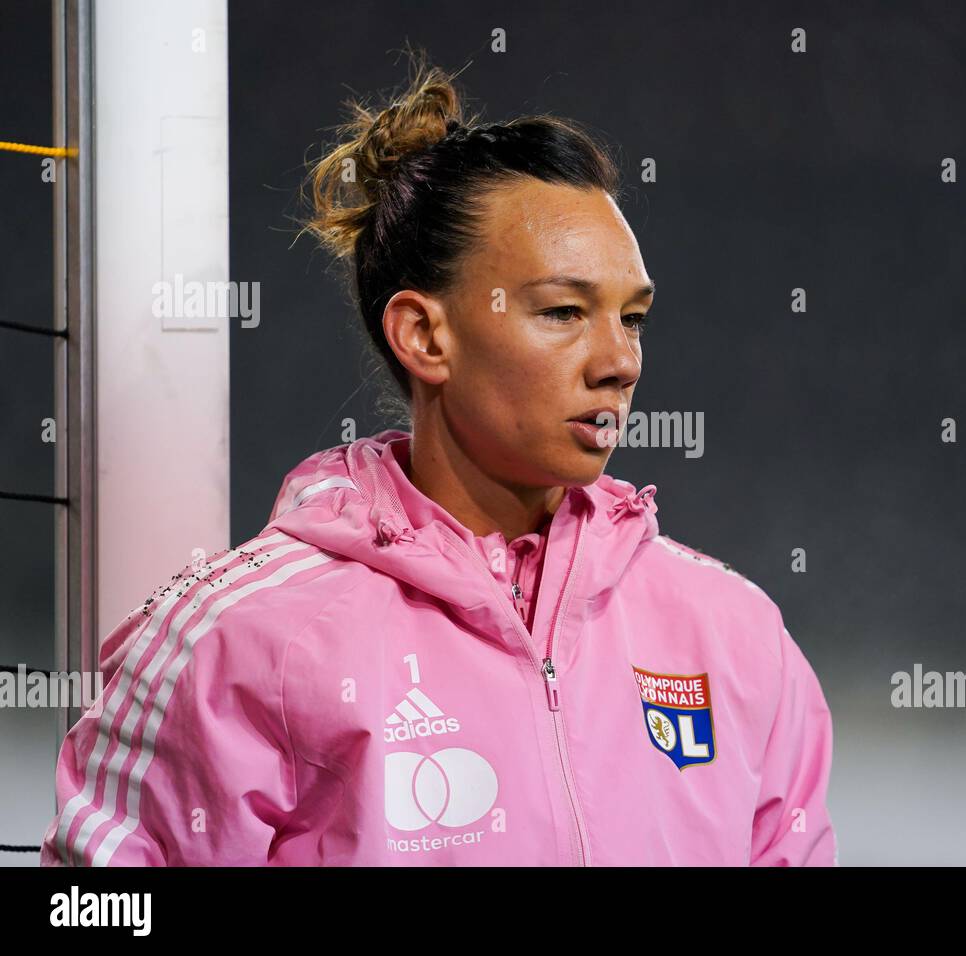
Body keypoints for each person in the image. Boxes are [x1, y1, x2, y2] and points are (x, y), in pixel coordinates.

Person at [40, 55, 838, 866]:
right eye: (563, 311)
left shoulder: (734, 634)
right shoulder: (237, 642)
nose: (619, 361)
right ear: (424, 336)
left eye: (631, 318)